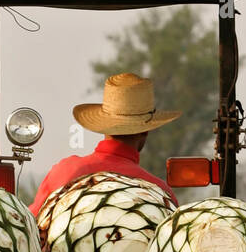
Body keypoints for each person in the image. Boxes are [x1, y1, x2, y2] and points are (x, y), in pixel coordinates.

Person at [29, 72, 180, 215]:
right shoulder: (161, 194)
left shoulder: (64, 172)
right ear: (145, 131)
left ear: (103, 126)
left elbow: (32, 228)